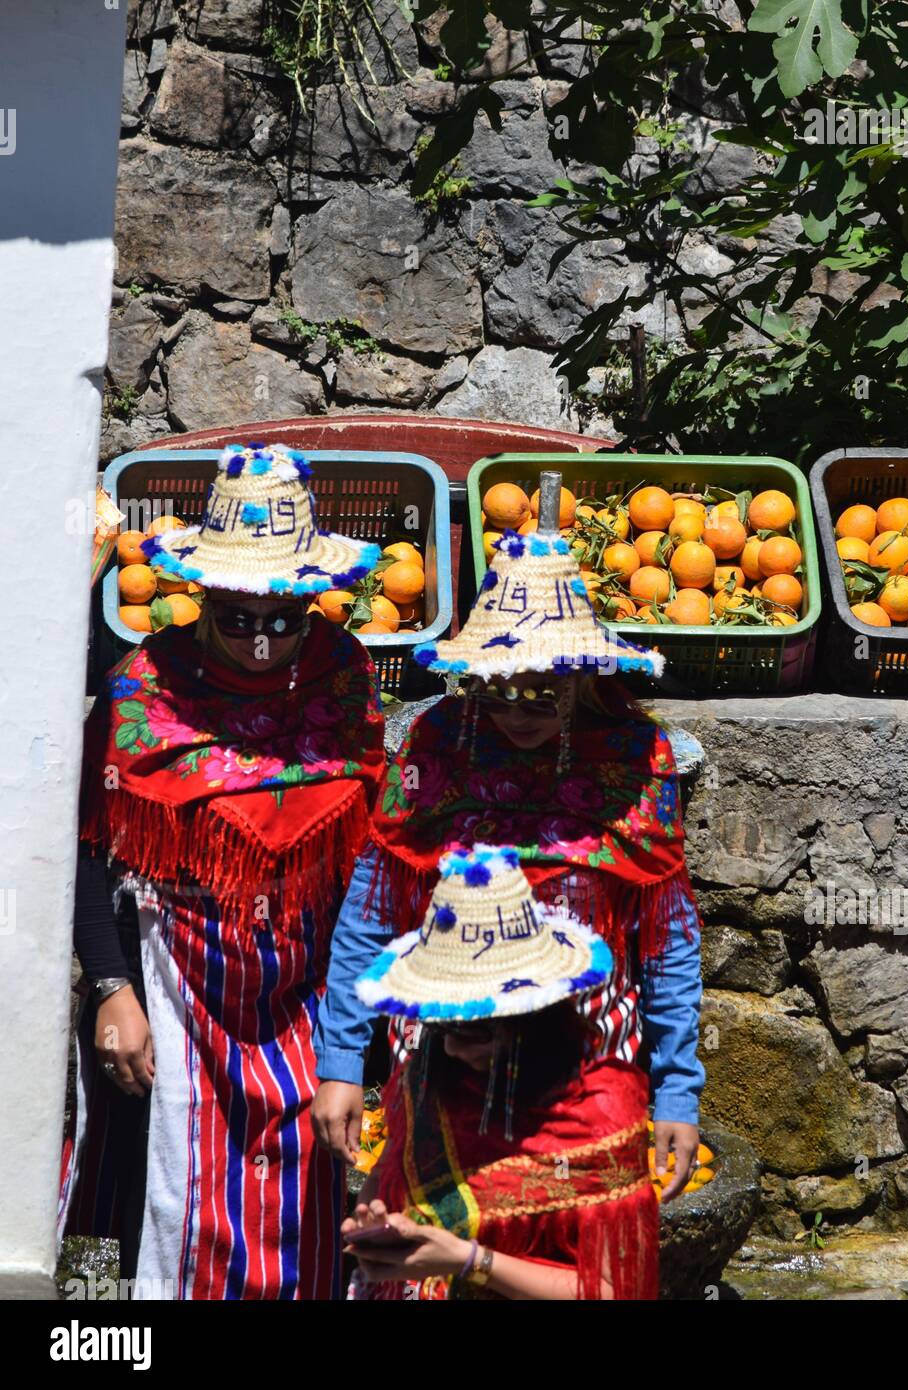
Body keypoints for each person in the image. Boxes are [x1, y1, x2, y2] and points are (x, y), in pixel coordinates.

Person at [60, 442, 386, 1299]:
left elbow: (369, 864)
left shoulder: (345, 678)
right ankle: (97, 1340)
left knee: (302, 1197)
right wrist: (110, 990)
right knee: (122, 1189)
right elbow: (92, 850)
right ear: (202, 598)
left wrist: (356, 1033)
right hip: (169, 981)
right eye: (237, 618)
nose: (262, 642)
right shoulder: (144, 687)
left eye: (285, 618)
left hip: (307, 987)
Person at [314, 527, 705, 1204]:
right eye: (496, 691)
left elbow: (668, 943)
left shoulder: (636, 758)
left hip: (587, 1067)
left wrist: (677, 1088)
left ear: (583, 674)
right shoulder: (440, 743)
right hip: (444, 1061)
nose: (516, 713)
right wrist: (342, 1062)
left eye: (541, 692)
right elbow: (370, 912)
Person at [343, 844, 658, 1300]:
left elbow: (611, 1290)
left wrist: (470, 1260)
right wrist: (377, 1218)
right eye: (440, 1026)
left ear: (529, 1021)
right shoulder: (429, 1076)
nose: (449, 1046)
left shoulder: (600, 1114)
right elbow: (394, 1168)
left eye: (472, 1032)